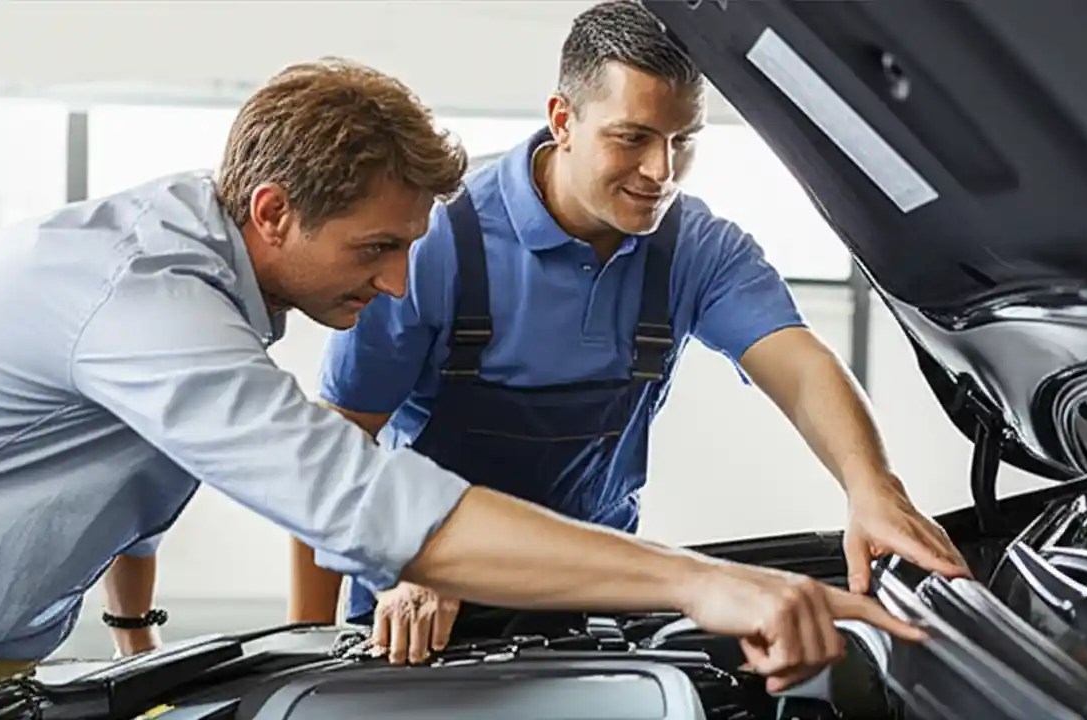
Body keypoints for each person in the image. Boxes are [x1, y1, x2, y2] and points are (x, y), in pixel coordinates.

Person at [0, 57, 925, 687]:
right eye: (377, 247)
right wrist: (702, 583)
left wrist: (133, 633)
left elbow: (135, 471)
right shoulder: (148, 298)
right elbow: (345, 486)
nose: (400, 280)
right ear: (273, 212)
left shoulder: (206, 277)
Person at [292, 0, 969, 666]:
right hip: (414, 613)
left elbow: (800, 366)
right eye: (632, 137)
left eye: (683, 140)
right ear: (563, 119)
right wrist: (306, 642)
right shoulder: (435, 239)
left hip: (586, 611)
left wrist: (871, 484)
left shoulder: (697, 248)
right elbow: (335, 445)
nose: (661, 172)